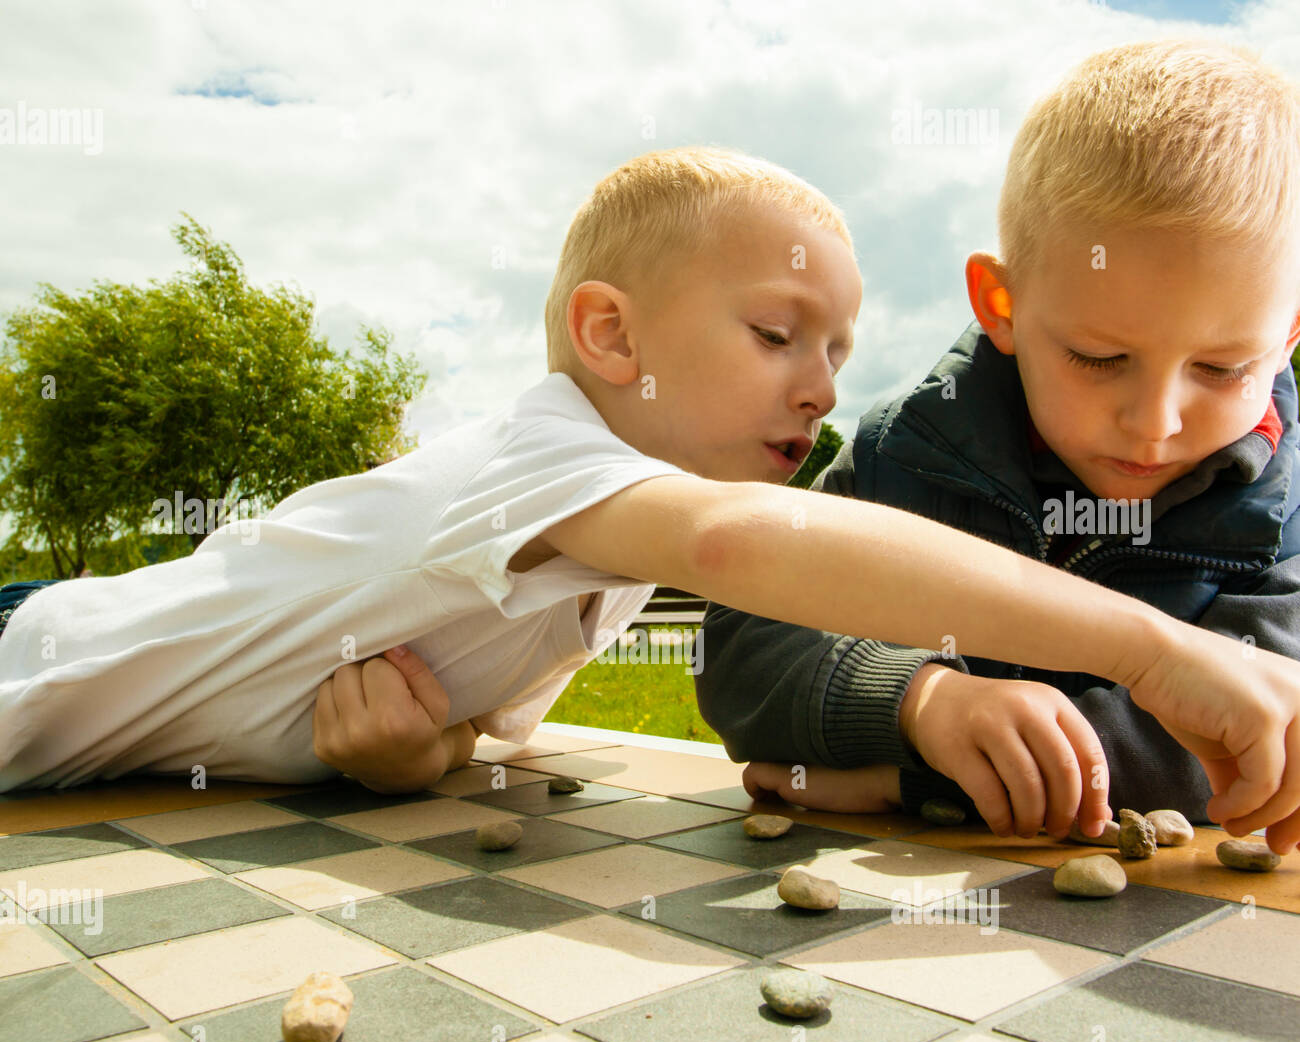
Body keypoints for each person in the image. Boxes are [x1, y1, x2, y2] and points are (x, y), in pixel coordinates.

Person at [2, 145, 1298, 854]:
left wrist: (415, 756)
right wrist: (1151, 644)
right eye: (779, 334)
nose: (819, 390)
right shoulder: (543, 456)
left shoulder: (597, 574)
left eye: (839, 353)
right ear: (612, 338)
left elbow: (472, 734)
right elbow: (745, 549)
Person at [694, 40, 1300, 850]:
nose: (1155, 422)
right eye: (1099, 358)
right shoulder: (904, 452)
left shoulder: (1282, 510)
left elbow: (1235, 749)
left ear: (1288, 335)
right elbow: (740, 644)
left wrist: (916, 780)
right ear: (1001, 303)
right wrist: (923, 705)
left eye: (1224, 368)